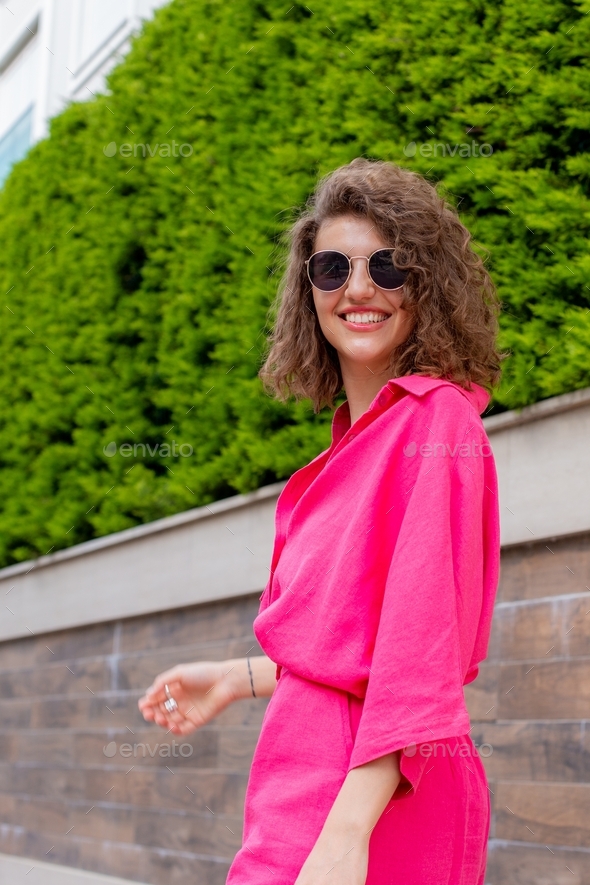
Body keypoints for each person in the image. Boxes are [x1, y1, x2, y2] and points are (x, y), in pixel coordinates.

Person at [138, 157, 505, 885]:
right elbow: (351, 651)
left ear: (424, 284)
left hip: (370, 803)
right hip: (304, 786)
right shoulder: (356, 443)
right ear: (309, 291)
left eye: (389, 267)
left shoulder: (436, 423)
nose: (359, 288)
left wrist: (344, 835)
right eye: (332, 267)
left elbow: (417, 663)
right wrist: (235, 677)